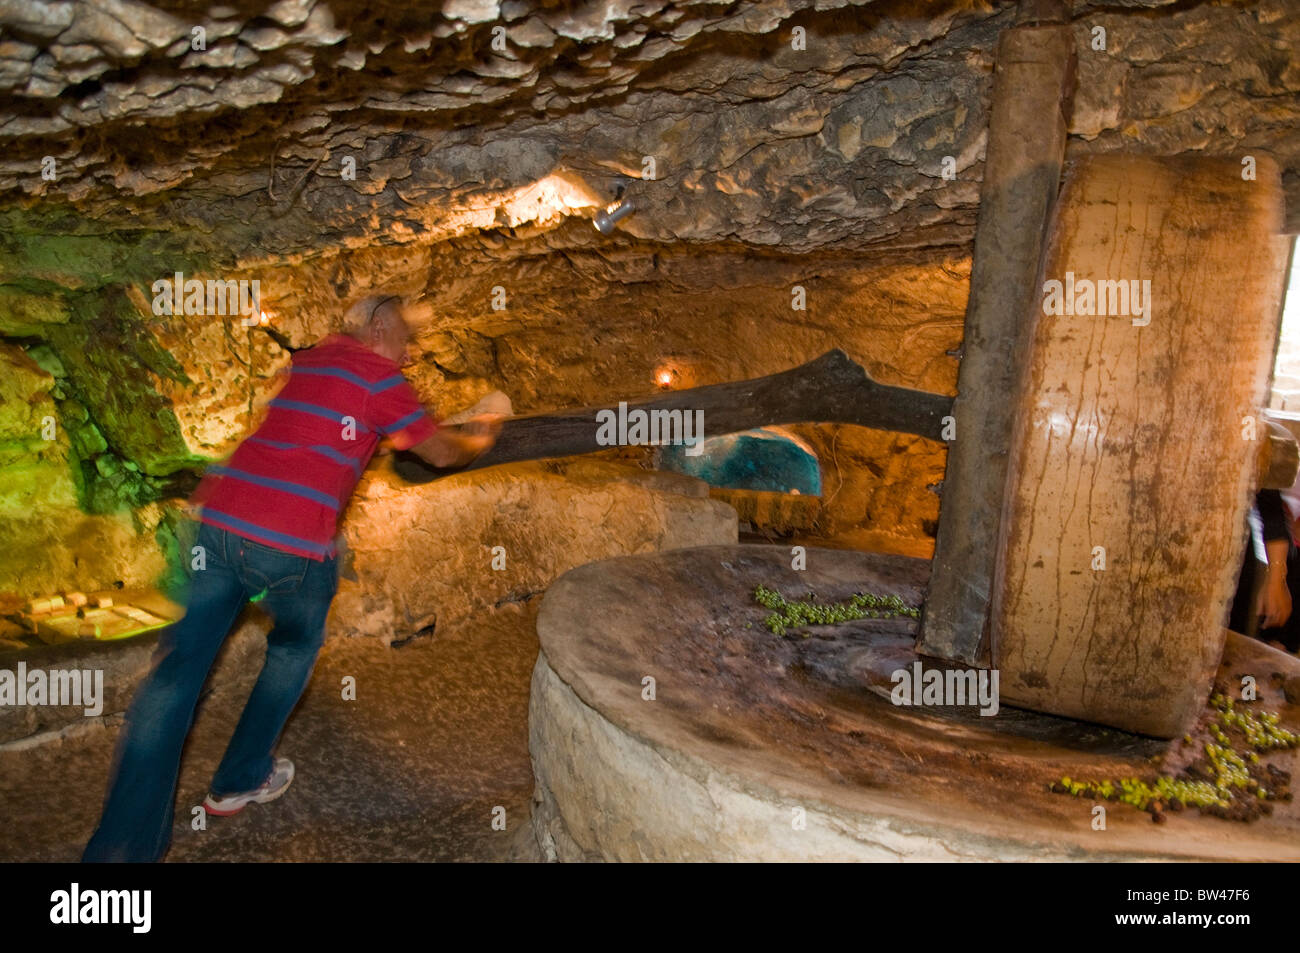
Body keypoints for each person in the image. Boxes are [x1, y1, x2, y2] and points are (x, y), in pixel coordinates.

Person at [83, 294, 502, 862]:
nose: (407, 354)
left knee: (174, 679)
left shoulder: (311, 359)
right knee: (293, 648)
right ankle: (239, 779)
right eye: (404, 339)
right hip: (291, 545)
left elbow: (301, 435)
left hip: (220, 523)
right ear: (380, 328)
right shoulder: (379, 376)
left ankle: (117, 858)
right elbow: (437, 451)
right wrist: (485, 430)